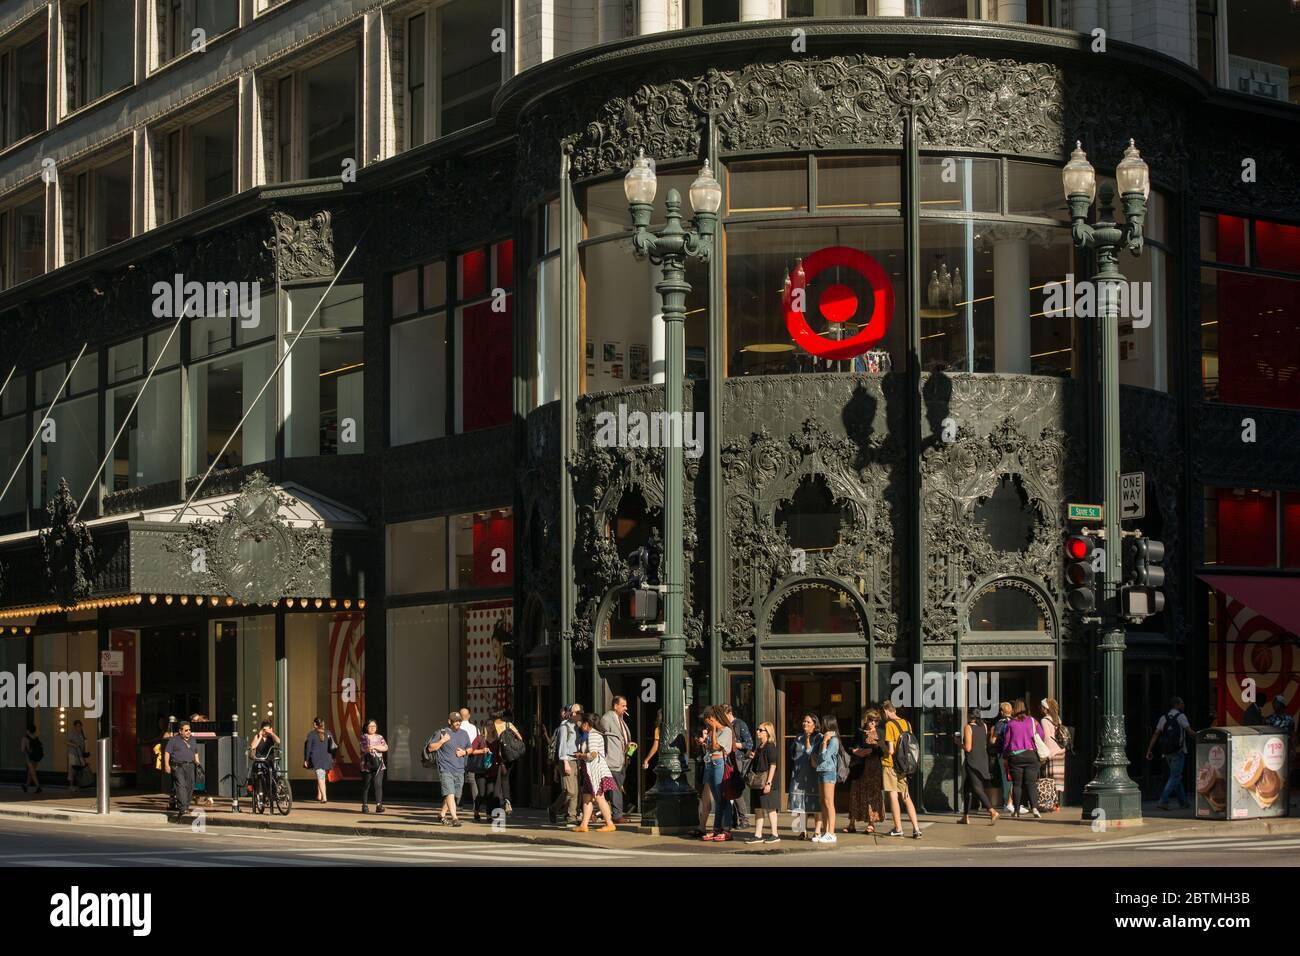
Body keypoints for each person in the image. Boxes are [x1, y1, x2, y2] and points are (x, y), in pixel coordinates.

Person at [881, 700, 922, 838]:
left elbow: (891, 750)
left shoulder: (889, 725)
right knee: (906, 796)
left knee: (893, 795)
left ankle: (898, 828)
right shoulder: (907, 723)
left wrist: (880, 743)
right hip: (904, 765)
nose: (883, 716)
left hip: (891, 765)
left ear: (886, 710)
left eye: (883, 713)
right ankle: (916, 829)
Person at [1145, 696, 1193, 811]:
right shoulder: (1181, 716)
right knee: (1175, 776)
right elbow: (1189, 731)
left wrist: (1149, 749)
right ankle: (1163, 801)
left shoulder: (1163, 718)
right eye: (1182, 703)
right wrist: (1201, 737)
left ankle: (1184, 802)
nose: (1183, 705)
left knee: (1175, 776)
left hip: (1167, 752)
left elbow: (1156, 734)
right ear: (1177, 705)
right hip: (1178, 751)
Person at [574, 712, 617, 832]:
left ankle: (609, 823)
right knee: (587, 797)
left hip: (595, 771)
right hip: (591, 771)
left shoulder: (592, 735)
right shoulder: (593, 734)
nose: (580, 725)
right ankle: (584, 825)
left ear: (586, 724)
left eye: (582, 723)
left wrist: (580, 755)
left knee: (599, 797)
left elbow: (592, 754)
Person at [1001, 700, 1043, 819]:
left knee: (1017, 784)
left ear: (1014, 709)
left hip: (1016, 757)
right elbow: (1041, 734)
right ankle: (1034, 808)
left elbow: (1007, 742)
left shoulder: (1011, 724)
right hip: (1031, 755)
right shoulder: (1032, 721)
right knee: (1031, 783)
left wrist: (1005, 757)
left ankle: (1017, 810)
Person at [700, 705, 734, 841]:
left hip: (719, 764)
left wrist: (713, 730)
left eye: (708, 720)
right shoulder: (711, 731)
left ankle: (726, 829)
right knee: (718, 800)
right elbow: (708, 748)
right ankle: (716, 829)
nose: (706, 723)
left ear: (712, 719)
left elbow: (715, 747)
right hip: (709, 764)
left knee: (723, 797)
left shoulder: (726, 731)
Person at [848, 708, 884, 834]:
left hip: (874, 769)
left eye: (874, 720)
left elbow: (883, 751)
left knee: (872, 795)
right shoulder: (859, 732)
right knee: (856, 793)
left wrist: (870, 751)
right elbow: (851, 746)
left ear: (877, 722)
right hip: (860, 766)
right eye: (870, 719)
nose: (871, 722)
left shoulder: (880, 733)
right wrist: (856, 751)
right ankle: (852, 823)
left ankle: (871, 823)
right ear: (866, 719)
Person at [960, 709, 998, 825]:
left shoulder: (968, 727)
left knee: (977, 788)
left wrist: (958, 743)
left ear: (969, 716)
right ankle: (965, 816)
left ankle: (992, 811)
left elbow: (968, 748)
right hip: (982, 760)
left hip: (973, 761)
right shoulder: (984, 726)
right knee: (967, 788)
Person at [745, 722, 780, 844]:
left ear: (768, 732)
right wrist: (752, 755)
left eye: (761, 730)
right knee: (758, 808)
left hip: (767, 781)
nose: (757, 732)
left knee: (770, 808)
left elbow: (773, 765)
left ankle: (775, 834)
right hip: (757, 781)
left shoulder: (770, 746)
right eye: (757, 729)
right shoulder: (759, 747)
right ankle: (758, 835)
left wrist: (769, 783)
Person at [789, 712, 822, 840]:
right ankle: (803, 831)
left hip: (813, 775)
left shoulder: (818, 737)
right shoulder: (798, 738)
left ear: (815, 724)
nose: (805, 724)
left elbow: (810, 753)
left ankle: (817, 831)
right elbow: (794, 755)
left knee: (815, 803)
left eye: (808, 722)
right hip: (799, 773)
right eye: (804, 721)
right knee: (800, 803)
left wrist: (808, 738)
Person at [548, 703, 582, 825]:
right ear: (572, 714)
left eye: (581, 713)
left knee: (576, 791)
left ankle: (571, 816)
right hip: (567, 760)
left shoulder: (577, 726)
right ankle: (554, 809)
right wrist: (565, 762)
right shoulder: (564, 726)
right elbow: (562, 746)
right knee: (569, 791)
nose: (580, 715)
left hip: (576, 760)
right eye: (578, 713)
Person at [600, 696, 632, 824]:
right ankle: (617, 815)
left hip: (622, 760)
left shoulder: (621, 720)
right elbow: (601, 737)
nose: (626, 708)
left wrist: (628, 751)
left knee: (613, 788)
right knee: (615, 789)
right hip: (612, 760)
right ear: (615, 706)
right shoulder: (607, 719)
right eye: (623, 705)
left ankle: (596, 810)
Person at [722, 703, 754, 830]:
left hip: (737, 760)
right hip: (728, 761)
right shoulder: (725, 726)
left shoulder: (740, 724)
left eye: (724, 716)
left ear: (730, 713)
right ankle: (734, 820)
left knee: (736, 790)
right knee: (730, 790)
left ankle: (744, 819)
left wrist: (735, 744)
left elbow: (749, 743)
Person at [162, 721, 200, 819]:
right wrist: (166, 765)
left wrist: (198, 763)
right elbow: (167, 753)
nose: (188, 732)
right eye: (186, 730)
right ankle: (183, 808)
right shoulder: (174, 740)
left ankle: (185, 806)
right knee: (181, 786)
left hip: (190, 766)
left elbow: (195, 752)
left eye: (189, 730)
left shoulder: (193, 739)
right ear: (180, 731)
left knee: (190, 786)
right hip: (178, 766)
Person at [813, 714, 841, 844]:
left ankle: (832, 832)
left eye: (824, 723)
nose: (822, 726)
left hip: (829, 772)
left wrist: (824, 741)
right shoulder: (824, 738)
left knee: (829, 802)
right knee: (823, 801)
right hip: (821, 771)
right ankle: (825, 831)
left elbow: (824, 756)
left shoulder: (834, 740)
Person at [492, 710, 525, 813]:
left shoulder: (491, 725)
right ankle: (507, 801)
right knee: (505, 779)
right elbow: (520, 737)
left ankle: (495, 805)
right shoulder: (508, 724)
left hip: (496, 756)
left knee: (496, 781)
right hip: (508, 756)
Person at [990, 701, 1020, 813]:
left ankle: (1007, 802)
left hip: (1003, 754)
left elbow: (993, 740)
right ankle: (1013, 802)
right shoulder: (1016, 721)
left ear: (1002, 712)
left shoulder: (1000, 723)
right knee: (1015, 778)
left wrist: (992, 733)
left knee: (1006, 778)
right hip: (1016, 752)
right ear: (1011, 711)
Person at [1037, 698, 1066, 811]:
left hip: (1052, 752)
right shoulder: (1057, 719)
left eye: (1042, 707)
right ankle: (1056, 804)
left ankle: (1051, 803)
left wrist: (1046, 753)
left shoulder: (1044, 720)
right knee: (1057, 779)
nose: (1041, 709)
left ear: (1046, 708)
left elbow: (1047, 738)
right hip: (1061, 751)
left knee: (1049, 778)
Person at [468, 723, 498, 821]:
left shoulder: (497, 739)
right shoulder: (480, 738)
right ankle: (476, 810)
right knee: (481, 793)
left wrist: (501, 765)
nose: (491, 727)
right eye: (489, 725)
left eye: (492, 725)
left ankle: (489, 815)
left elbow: (499, 754)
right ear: (484, 726)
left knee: (490, 793)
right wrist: (482, 751)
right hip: (481, 769)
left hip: (492, 769)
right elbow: (471, 751)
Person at [303, 717, 337, 804]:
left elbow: (308, 748)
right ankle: (319, 795)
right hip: (327, 758)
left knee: (320, 777)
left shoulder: (311, 734)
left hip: (316, 758)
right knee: (321, 776)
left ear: (314, 724)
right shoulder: (328, 733)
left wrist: (306, 759)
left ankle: (324, 797)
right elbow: (333, 746)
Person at [359, 719, 388, 814]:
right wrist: (370, 748)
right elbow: (364, 748)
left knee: (378, 784)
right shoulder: (364, 737)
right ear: (366, 727)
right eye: (370, 726)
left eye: (374, 726)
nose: (372, 728)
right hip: (367, 764)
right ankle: (365, 805)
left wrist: (375, 747)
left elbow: (385, 747)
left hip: (379, 764)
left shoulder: (380, 737)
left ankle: (379, 805)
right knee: (366, 785)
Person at [459, 708, 480, 816]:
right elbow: (479, 741)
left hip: (459, 756)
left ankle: (459, 804)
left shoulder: (457, 728)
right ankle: (475, 805)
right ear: (469, 716)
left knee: (459, 780)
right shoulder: (475, 728)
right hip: (472, 755)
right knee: (472, 781)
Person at [20, 723, 43, 794]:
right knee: (30, 772)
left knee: (32, 772)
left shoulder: (25, 738)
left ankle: (38, 786)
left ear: (28, 730)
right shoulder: (36, 737)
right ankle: (26, 786)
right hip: (36, 756)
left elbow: (22, 749)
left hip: (29, 757)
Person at [67, 720, 88, 794]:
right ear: (75, 726)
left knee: (79, 770)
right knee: (72, 770)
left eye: (80, 726)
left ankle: (78, 785)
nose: (79, 727)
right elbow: (67, 742)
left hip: (79, 754)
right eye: (78, 726)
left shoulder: (81, 734)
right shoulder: (72, 733)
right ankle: (71, 786)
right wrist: (74, 745)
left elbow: (83, 743)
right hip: (72, 753)